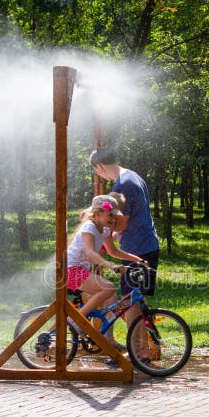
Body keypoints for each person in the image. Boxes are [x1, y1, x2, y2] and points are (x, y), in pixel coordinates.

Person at [90, 148, 160, 361]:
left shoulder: (123, 185)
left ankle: (138, 354)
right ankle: (147, 351)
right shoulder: (131, 175)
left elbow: (120, 222)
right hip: (145, 244)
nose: (99, 176)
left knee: (131, 303)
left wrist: (100, 233)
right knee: (136, 302)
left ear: (100, 166)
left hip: (136, 248)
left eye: (96, 172)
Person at [67, 194, 145, 349]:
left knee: (112, 297)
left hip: (81, 270)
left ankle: (108, 340)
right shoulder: (88, 227)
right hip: (70, 270)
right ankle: (76, 322)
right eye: (110, 214)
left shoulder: (104, 230)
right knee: (108, 287)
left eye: (114, 215)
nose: (113, 218)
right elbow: (90, 253)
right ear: (97, 213)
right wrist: (112, 266)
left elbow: (113, 251)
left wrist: (137, 259)